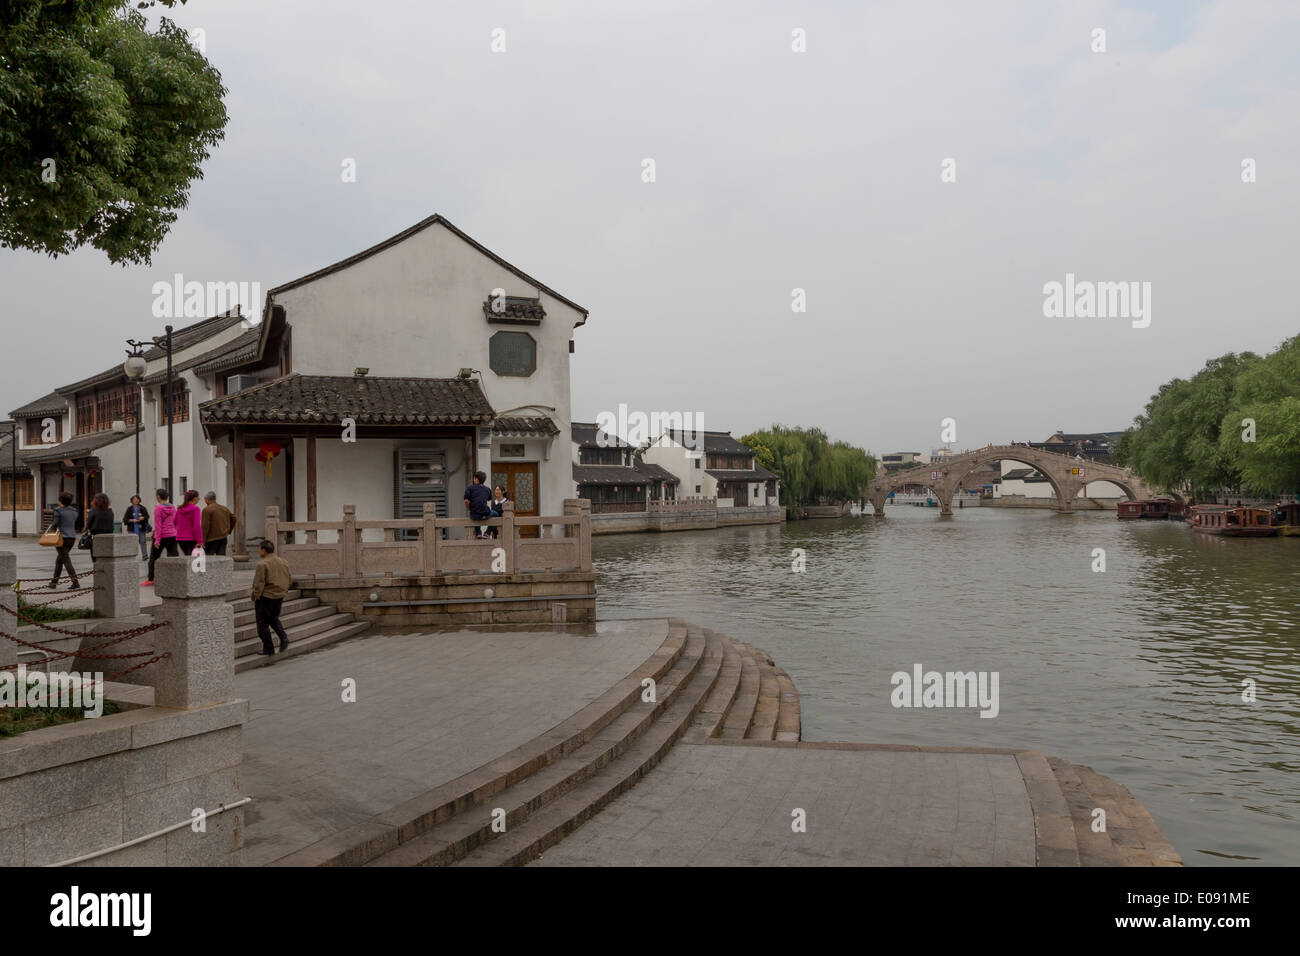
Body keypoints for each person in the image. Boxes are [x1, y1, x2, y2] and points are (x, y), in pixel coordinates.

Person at [251, 538, 292, 655]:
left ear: (264, 550)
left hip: (266, 596)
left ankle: (268, 648)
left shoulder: (262, 564)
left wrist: (255, 595)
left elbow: (259, 583)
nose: (259, 551)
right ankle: (283, 637)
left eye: (259, 549)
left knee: (262, 624)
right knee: (273, 619)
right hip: (279, 595)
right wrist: (284, 590)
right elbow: (289, 578)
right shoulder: (283, 561)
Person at [145, 489, 178, 586]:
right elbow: (175, 522)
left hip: (162, 536)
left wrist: (157, 541)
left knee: (153, 558)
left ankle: (151, 579)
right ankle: (176, 577)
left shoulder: (158, 508)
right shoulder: (173, 507)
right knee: (174, 558)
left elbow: (158, 526)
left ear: (158, 496)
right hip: (172, 535)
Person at [48, 491, 81, 590]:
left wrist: (51, 531)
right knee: (59, 560)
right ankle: (54, 582)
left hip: (62, 538)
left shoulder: (58, 510)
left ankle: (75, 582)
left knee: (66, 560)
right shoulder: (74, 511)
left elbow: (55, 523)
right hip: (72, 537)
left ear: (60, 501)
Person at [201, 491, 235, 556]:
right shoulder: (224, 508)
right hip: (223, 537)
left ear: (207, 499)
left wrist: (203, 541)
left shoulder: (206, 510)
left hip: (211, 539)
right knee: (221, 558)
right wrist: (229, 530)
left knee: (208, 558)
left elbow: (205, 527)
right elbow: (234, 518)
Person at [85, 493, 114, 563]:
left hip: (96, 535)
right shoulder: (110, 511)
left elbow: (88, 524)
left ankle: (97, 568)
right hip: (108, 536)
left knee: (95, 556)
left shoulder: (93, 511)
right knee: (105, 555)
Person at [464, 470, 493, 538]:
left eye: (474, 478)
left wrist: (469, 508)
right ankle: (487, 533)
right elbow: (489, 499)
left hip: (474, 516)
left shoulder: (470, 488)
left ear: (476, 479)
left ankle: (478, 533)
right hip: (486, 514)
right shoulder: (488, 489)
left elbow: (466, 501)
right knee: (496, 514)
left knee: (475, 513)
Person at [175, 489, 202, 555]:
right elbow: (196, 526)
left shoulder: (179, 509)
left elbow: (174, 522)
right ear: (195, 498)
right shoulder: (195, 509)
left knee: (188, 556)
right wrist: (199, 541)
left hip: (180, 539)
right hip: (191, 538)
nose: (198, 499)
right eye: (198, 498)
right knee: (194, 559)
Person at [124, 494, 150, 560]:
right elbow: (125, 519)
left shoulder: (142, 508)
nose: (136, 501)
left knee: (143, 541)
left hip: (141, 528)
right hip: (132, 528)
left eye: (137, 499)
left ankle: (145, 555)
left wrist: (143, 518)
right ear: (132, 500)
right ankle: (131, 555)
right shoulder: (129, 509)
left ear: (139, 500)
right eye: (134, 499)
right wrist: (132, 520)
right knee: (132, 542)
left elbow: (147, 516)